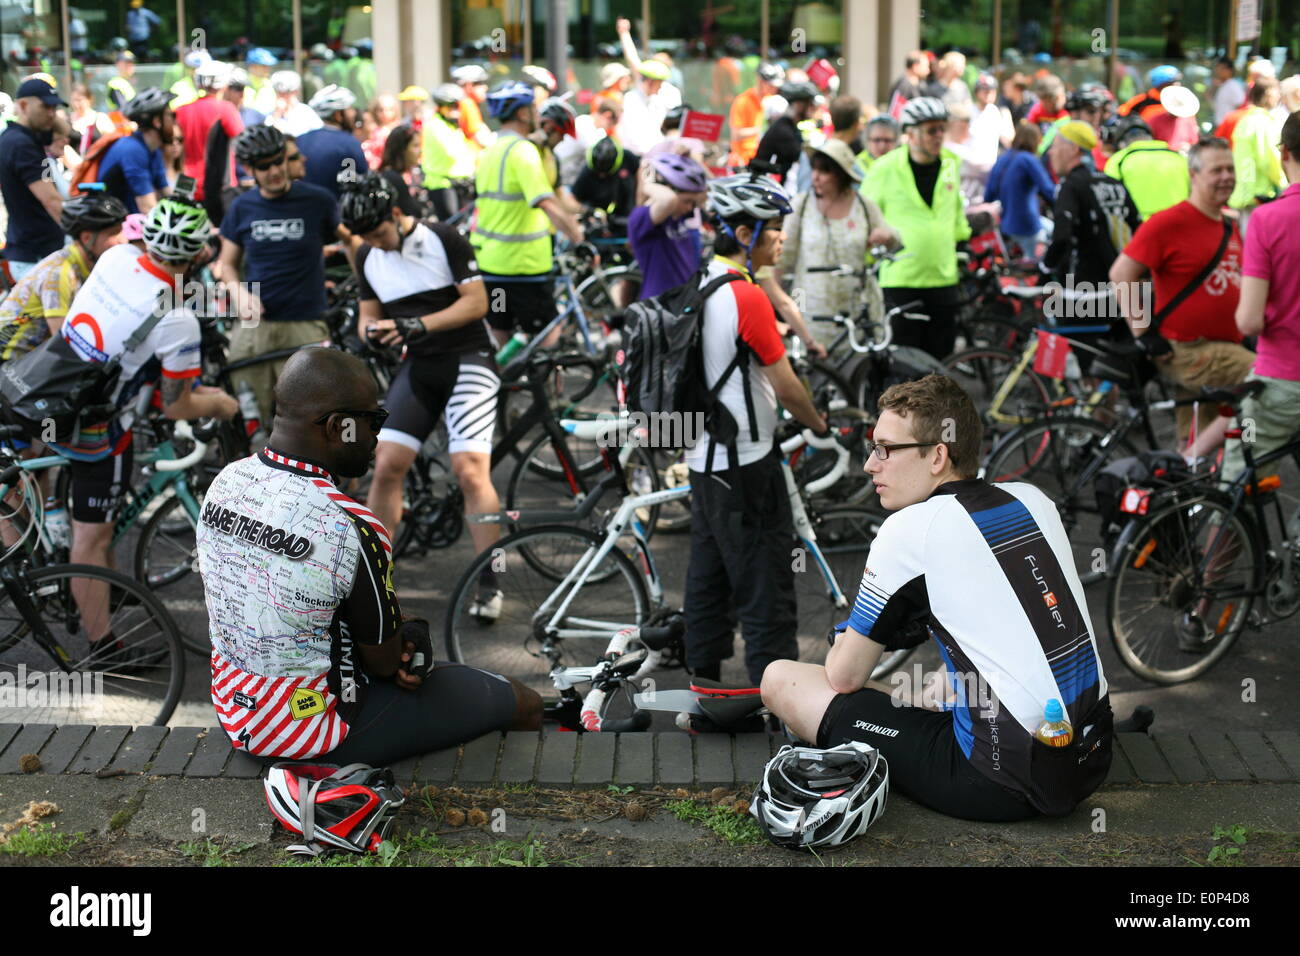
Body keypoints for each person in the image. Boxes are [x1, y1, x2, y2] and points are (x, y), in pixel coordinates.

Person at [761, 374, 1114, 822]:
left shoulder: (912, 529)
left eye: (886, 448)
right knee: (937, 685)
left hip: (996, 781)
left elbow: (844, 675)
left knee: (780, 679)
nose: (871, 465)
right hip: (1090, 757)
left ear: (937, 456)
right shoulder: (1032, 498)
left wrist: (846, 637)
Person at [196, 347, 543, 763]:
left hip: (236, 713)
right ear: (338, 426)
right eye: (372, 420)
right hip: (311, 729)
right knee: (524, 701)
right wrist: (408, 628)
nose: (378, 435)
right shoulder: (350, 525)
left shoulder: (226, 482)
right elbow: (381, 664)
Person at [48, 199, 239, 625]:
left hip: (54, 387)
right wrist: (222, 405)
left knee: (100, 522)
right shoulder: (178, 318)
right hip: (98, 425)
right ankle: (102, 648)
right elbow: (178, 405)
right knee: (92, 537)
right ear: (194, 256)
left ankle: (108, 593)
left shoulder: (116, 255)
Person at [684, 174, 828, 687]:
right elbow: (787, 386)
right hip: (746, 464)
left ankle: (705, 693)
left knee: (709, 580)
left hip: (704, 460)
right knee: (766, 587)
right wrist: (820, 427)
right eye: (775, 229)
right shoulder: (746, 296)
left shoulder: (700, 282)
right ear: (744, 234)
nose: (781, 238)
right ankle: (778, 703)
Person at [339, 174, 505, 619]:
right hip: (421, 365)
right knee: (388, 465)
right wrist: (372, 335)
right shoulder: (368, 254)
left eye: (379, 233)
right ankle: (376, 580)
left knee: (469, 470)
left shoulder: (443, 236)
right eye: (367, 238)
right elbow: (367, 317)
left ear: (396, 213)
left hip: (469, 355)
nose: (376, 243)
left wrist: (418, 325)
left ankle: (490, 580)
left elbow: (477, 303)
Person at [1110, 138, 1251, 456]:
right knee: (1264, 382)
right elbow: (1121, 274)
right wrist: (1143, 333)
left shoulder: (1229, 224)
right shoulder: (1168, 222)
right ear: (1195, 175)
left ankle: (1192, 486)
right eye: (1217, 170)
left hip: (1224, 348)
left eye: (1230, 169)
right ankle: (1243, 450)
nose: (1227, 176)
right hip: (1190, 351)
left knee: (1196, 433)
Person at [218, 125, 341, 424]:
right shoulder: (241, 207)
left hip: (305, 324)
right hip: (256, 328)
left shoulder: (318, 201)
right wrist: (239, 293)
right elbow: (226, 265)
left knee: (317, 421)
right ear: (250, 169)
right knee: (254, 423)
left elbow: (348, 242)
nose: (274, 171)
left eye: (278, 161)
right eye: (263, 166)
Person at [471, 82, 584, 348]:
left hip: (491, 263)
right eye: (533, 108)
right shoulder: (523, 152)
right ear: (522, 114)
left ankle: (496, 383)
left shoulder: (490, 151)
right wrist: (577, 235)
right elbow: (546, 202)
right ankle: (543, 386)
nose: (537, 112)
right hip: (523, 267)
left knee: (500, 328)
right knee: (549, 330)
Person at [1223, 113, 1300, 494]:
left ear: (1285, 153)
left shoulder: (1267, 219)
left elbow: (1249, 321)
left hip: (1279, 383)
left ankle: (1218, 549)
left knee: (1237, 481)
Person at [861, 97, 970, 359]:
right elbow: (866, 218)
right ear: (910, 133)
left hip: (943, 278)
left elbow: (955, 213)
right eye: (931, 130)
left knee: (940, 362)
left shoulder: (951, 163)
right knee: (905, 363)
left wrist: (963, 243)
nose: (939, 136)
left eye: (942, 129)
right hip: (901, 279)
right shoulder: (884, 169)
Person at [765, 138, 897, 353]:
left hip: (857, 303)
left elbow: (894, 242)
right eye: (814, 169)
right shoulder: (801, 205)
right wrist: (778, 310)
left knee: (858, 370)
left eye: (824, 171)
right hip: (807, 301)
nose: (815, 177)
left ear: (841, 175)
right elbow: (781, 260)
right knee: (812, 369)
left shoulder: (864, 205)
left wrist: (886, 236)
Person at [1041, 121, 1140, 358]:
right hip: (1122, 290)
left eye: (1055, 146)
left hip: (1084, 292)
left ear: (1073, 149)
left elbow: (1062, 237)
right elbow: (1139, 229)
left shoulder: (1071, 186)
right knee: (1109, 365)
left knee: (1075, 362)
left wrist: (1044, 268)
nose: (1051, 153)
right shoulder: (1113, 183)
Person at [0, 192, 127, 364]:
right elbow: (63, 344)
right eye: (114, 233)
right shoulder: (60, 273)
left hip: (28, 360)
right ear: (87, 238)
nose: (123, 240)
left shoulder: (84, 262)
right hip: (9, 364)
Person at [0, 78, 65, 280]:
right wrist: (80, 238)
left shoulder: (24, 136)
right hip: (35, 255)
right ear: (24, 105)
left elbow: (64, 130)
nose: (52, 113)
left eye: (54, 107)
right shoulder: (21, 144)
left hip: (34, 250)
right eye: (46, 106)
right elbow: (51, 200)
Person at [627, 151, 708, 300]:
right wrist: (648, 183)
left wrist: (693, 160)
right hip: (661, 306)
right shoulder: (640, 217)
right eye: (687, 201)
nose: (691, 208)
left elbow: (705, 193)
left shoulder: (677, 216)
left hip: (683, 301)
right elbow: (669, 200)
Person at [984, 122, 1056, 262]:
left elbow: (988, 195)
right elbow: (1049, 191)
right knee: (1034, 264)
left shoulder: (1002, 158)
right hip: (1027, 223)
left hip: (1005, 225)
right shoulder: (1029, 160)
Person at [175, 60, 243, 205]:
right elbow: (243, 142)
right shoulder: (226, 109)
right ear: (224, 85)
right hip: (218, 185)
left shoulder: (181, 110)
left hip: (185, 184)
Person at [97, 87, 173, 214]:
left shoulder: (152, 149)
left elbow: (167, 194)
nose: (174, 121)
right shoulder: (133, 150)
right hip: (115, 227)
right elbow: (148, 207)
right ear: (157, 122)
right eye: (171, 115)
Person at [1102, 114, 1189, 220]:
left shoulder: (1117, 161)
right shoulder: (1179, 158)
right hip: (1180, 225)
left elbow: (1109, 200)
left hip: (1139, 231)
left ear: (1121, 143)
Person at [1228, 77, 1283, 236]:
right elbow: (1269, 159)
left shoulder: (1246, 120)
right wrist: (1286, 183)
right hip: (1260, 194)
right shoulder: (1263, 122)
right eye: (1277, 93)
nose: (1278, 97)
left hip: (1246, 194)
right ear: (1268, 94)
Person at [297, 84, 368, 200]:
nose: (354, 113)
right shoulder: (349, 143)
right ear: (338, 115)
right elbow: (360, 182)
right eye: (349, 109)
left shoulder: (300, 140)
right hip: (338, 211)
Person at [422, 83, 476, 222]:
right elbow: (454, 152)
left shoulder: (451, 126)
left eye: (457, 106)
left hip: (458, 184)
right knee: (452, 226)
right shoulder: (435, 126)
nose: (456, 111)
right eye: (451, 106)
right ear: (441, 107)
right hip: (443, 185)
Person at [1117, 65, 1198, 153]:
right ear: (1162, 84)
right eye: (1173, 82)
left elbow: (1192, 133)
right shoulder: (1142, 101)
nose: (1178, 84)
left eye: (1178, 82)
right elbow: (1122, 115)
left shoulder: (1183, 101)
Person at [752, 81, 818, 183]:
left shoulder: (789, 126)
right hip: (766, 190)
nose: (813, 108)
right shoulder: (784, 131)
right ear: (798, 105)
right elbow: (803, 159)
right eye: (809, 104)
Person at [572, 135, 640, 227]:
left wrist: (639, 207)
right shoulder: (587, 171)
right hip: (597, 213)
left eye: (605, 173)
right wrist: (588, 211)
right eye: (598, 173)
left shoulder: (628, 158)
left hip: (625, 210)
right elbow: (573, 198)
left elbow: (640, 181)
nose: (602, 175)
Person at [728, 63, 784, 168]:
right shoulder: (743, 101)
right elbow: (735, 135)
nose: (774, 89)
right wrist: (762, 129)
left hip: (766, 159)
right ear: (760, 81)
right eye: (771, 85)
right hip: (743, 161)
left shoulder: (772, 101)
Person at [617, 59, 672, 157]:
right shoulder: (631, 100)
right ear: (650, 82)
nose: (660, 87)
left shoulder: (655, 100)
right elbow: (633, 136)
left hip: (654, 156)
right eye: (659, 83)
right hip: (636, 158)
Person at [376, 124, 428, 219]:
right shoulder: (392, 178)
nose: (420, 151)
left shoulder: (395, 175)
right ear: (402, 149)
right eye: (415, 146)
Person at [451, 64, 493, 151]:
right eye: (480, 83)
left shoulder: (462, 103)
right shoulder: (468, 104)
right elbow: (483, 140)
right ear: (469, 86)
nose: (485, 87)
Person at [267, 70, 322, 137]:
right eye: (279, 92)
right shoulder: (271, 112)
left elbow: (319, 133)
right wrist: (277, 114)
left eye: (286, 93)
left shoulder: (305, 111)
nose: (282, 96)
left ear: (295, 92)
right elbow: (266, 136)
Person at [887, 51, 932, 117]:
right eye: (926, 66)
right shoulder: (904, 85)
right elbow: (896, 112)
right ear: (915, 66)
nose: (928, 70)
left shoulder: (918, 85)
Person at [362, 93, 400, 169]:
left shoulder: (399, 129)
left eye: (389, 110)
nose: (385, 113)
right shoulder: (372, 129)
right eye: (381, 110)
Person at [244, 47, 279, 116]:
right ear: (253, 66)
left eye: (268, 66)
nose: (267, 69)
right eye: (263, 65)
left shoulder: (270, 84)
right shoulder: (242, 86)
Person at [1212, 57, 1247, 126]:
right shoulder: (1223, 85)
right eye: (1217, 67)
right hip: (1221, 125)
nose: (1218, 71)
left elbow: (1241, 105)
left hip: (1228, 126)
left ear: (1230, 70)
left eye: (1222, 68)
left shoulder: (1233, 86)